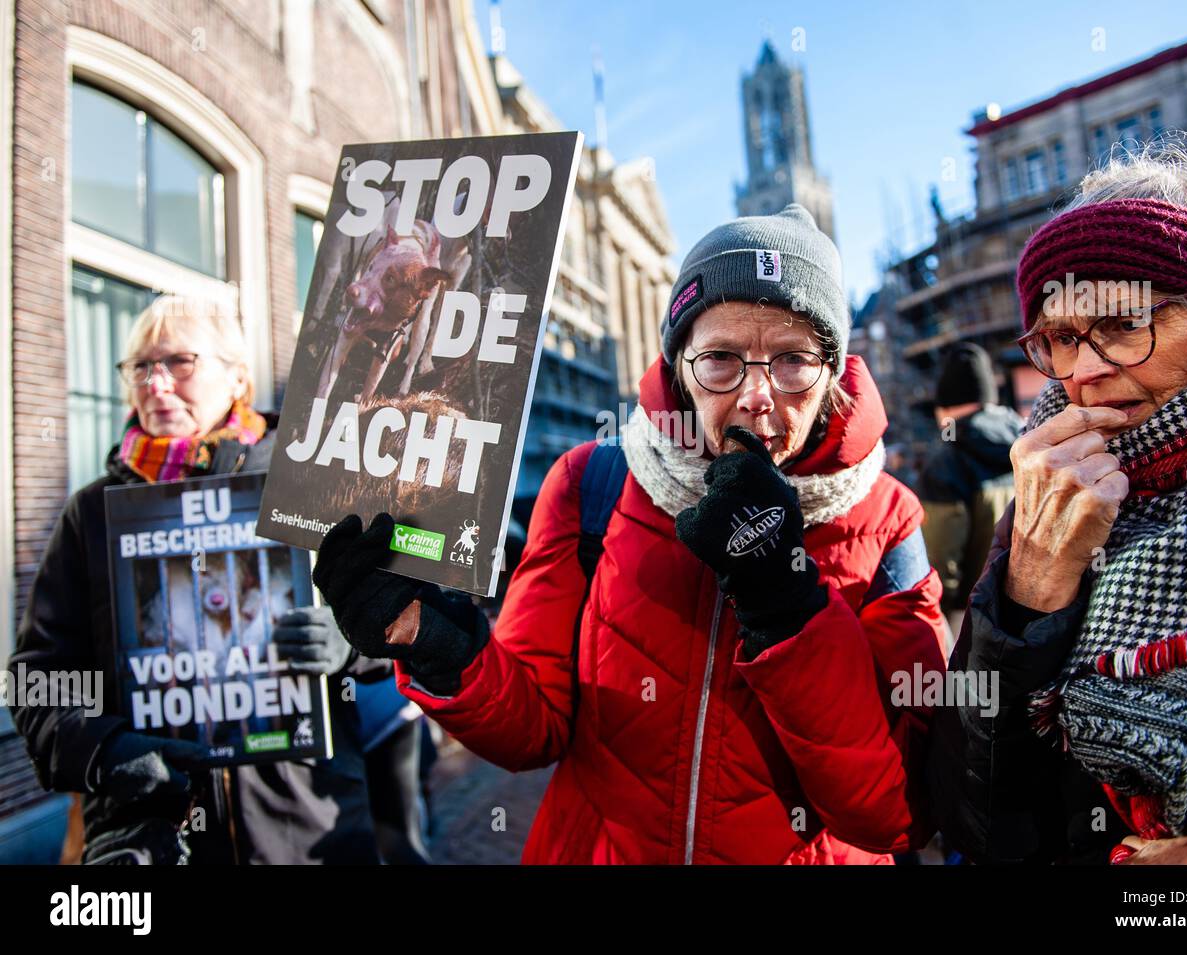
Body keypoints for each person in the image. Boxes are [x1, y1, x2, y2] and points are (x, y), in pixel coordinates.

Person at [313, 204, 948, 864]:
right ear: (679, 367)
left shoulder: (888, 518)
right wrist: (431, 637)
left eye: (792, 360)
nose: (759, 395)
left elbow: (896, 815)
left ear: (833, 369)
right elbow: (534, 725)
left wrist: (790, 611)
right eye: (722, 359)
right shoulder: (596, 483)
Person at [927, 142, 1187, 865]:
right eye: (1061, 338)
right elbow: (973, 817)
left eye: (1125, 323)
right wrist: (1030, 589)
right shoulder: (1048, 483)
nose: (1085, 372)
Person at [8, 295, 387, 864]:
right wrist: (105, 751)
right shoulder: (92, 514)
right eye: (141, 367)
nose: (156, 385)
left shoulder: (311, 485)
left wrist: (351, 637)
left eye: (179, 363)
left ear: (238, 377)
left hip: (310, 831)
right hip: (153, 839)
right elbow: (37, 679)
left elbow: (413, 615)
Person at [917, 342, 1022, 646]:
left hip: (968, 615)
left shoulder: (947, 462)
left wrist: (940, 603)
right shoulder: (1028, 440)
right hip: (1028, 602)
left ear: (945, 407)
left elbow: (941, 556)